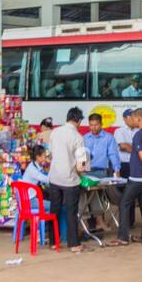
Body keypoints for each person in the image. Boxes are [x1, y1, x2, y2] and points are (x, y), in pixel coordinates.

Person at [110, 107, 142, 246]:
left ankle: (123, 237)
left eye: (133, 118)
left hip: (137, 177)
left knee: (124, 203)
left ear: (139, 119)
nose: (132, 120)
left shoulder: (138, 135)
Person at [48, 107, 89, 252]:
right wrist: (82, 175)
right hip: (70, 180)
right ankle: (74, 244)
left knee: (54, 210)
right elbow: (82, 165)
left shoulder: (55, 132)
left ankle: (53, 242)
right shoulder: (78, 137)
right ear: (78, 120)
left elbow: (51, 153)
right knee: (72, 212)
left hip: (54, 178)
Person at [114, 108, 136, 178]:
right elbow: (123, 146)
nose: (133, 119)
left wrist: (129, 146)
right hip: (124, 165)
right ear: (124, 119)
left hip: (136, 164)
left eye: (134, 116)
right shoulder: (119, 131)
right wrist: (139, 150)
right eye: (130, 117)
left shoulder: (139, 130)